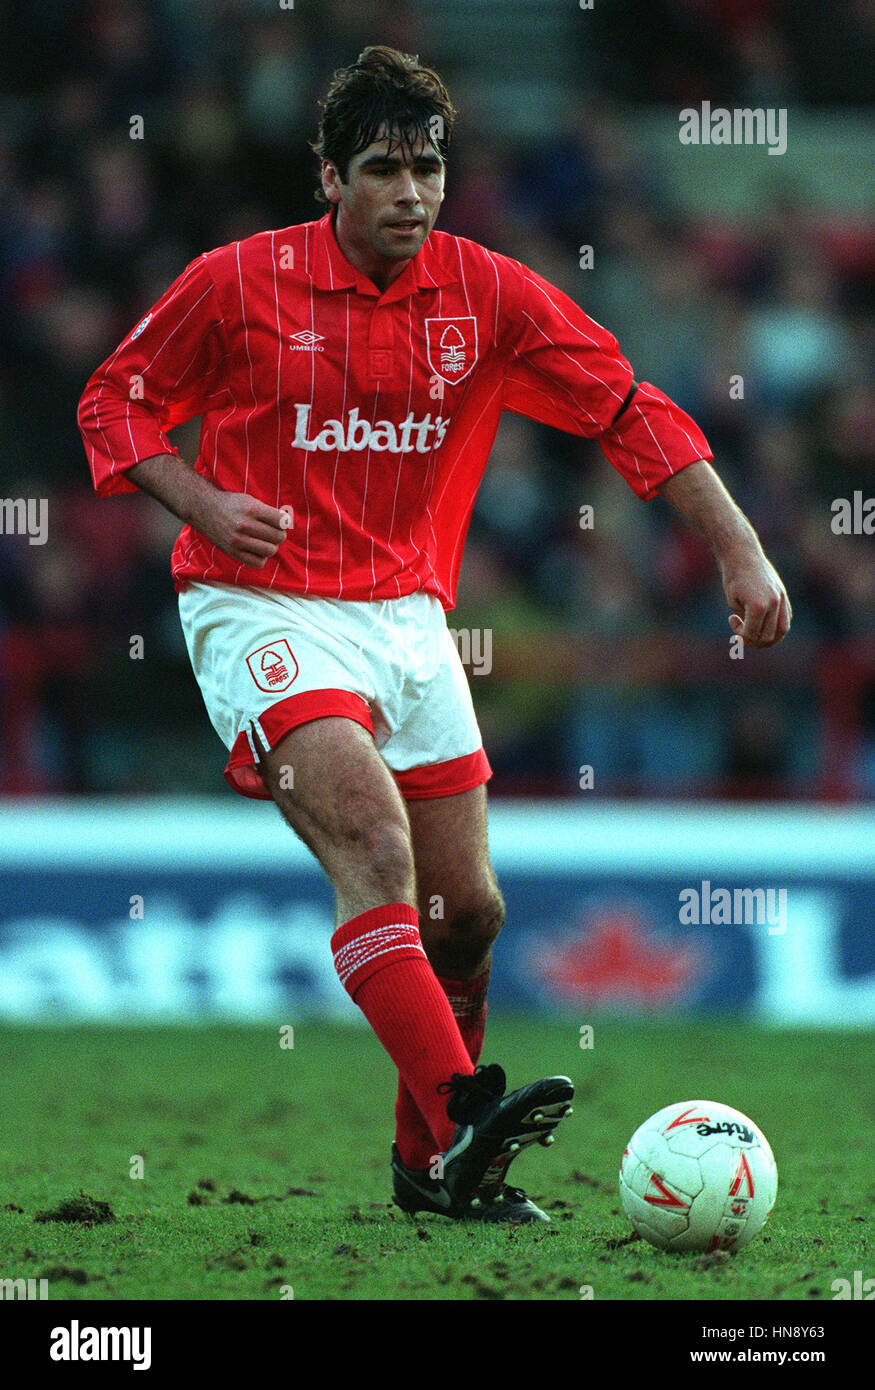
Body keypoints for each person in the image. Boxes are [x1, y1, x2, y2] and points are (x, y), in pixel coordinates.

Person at [77, 46, 791, 1223]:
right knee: (373, 844)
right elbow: (113, 397)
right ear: (328, 178)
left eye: (427, 167)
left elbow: (621, 399)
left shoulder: (487, 295)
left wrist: (735, 543)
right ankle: (467, 1111)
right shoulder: (236, 283)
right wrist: (202, 501)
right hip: (259, 606)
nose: (410, 192)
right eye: (382, 169)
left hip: (410, 621)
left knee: (471, 912)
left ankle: (427, 1170)